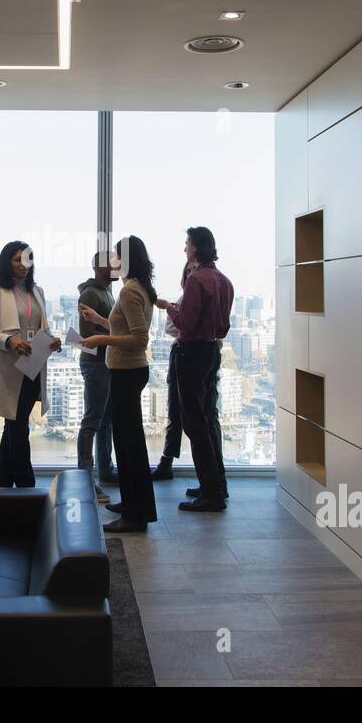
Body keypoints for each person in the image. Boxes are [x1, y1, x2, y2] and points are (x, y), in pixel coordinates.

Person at [82, 235, 157, 533]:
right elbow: (125, 327)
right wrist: (101, 320)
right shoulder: (137, 288)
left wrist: (102, 338)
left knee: (131, 445)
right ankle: (131, 504)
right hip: (127, 371)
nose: (112, 260)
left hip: (128, 371)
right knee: (125, 443)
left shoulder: (128, 291)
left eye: (115, 255)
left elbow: (139, 338)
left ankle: (136, 515)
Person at [155, 226, 234, 512]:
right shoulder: (224, 281)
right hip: (212, 351)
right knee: (208, 418)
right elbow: (224, 326)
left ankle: (211, 495)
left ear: (197, 247)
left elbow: (185, 323)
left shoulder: (196, 280)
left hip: (192, 353)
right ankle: (216, 485)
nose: (184, 249)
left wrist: (167, 307)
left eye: (187, 243)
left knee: (194, 423)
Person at [0, 241, 61, 487]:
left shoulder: (37, 291)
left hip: (32, 366)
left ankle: (3, 483)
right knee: (17, 426)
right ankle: (26, 484)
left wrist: (51, 340)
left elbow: (39, 328)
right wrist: (9, 341)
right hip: (6, 369)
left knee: (15, 424)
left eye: (28, 259)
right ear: (7, 262)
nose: (24, 264)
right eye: (18, 259)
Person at [150, 259, 197, 481]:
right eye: (188, 270)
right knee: (177, 412)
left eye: (193, 269)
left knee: (184, 414)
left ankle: (167, 461)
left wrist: (171, 309)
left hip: (186, 355)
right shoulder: (185, 297)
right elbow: (172, 326)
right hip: (189, 355)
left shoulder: (186, 299)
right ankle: (168, 461)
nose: (190, 274)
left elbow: (172, 326)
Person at [76, 252, 118, 503]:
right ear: (96, 266)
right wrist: (114, 332)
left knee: (105, 421)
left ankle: (105, 470)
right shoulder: (92, 293)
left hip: (104, 363)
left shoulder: (106, 292)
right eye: (110, 262)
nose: (115, 266)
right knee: (92, 421)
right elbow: (85, 334)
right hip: (95, 364)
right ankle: (85, 480)